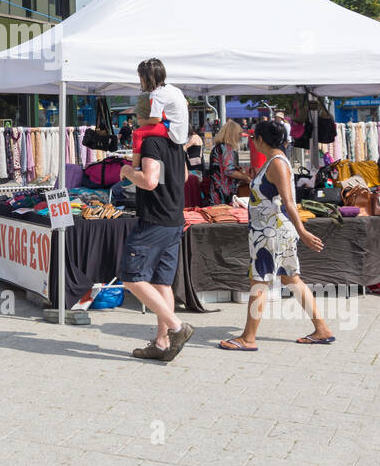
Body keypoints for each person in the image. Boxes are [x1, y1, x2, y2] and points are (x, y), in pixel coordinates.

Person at [219, 120, 333, 351]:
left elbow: (289, 202)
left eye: (254, 138)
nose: (252, 141)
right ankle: (321, 329)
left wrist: (303, 231)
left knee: (259, 282)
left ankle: (248, 338)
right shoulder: (274, 161)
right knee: (291, 279)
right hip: (271, 231)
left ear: (261, 139)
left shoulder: (277, 163)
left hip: (271, 233)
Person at [120, 65, 192, 362]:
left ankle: (177, 327)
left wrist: (127, 172)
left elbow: (149, 181)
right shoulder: (176, 144)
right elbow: (185, 177)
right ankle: (162, 344)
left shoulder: (150, 141)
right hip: (175, 218)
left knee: (132, 278)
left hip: (155, 220)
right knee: (162, 283)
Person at [130, 58, 189, 172]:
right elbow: (186, 103)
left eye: (140, 78)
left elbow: (156, 118)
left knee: (137, 133)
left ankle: (135, 168)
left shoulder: (156, 94)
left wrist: (144, 122)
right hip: (181, 130)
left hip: (171, 129)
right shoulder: (174, 89)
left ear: (147, 79)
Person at [207, 120, 250, 205]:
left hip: (217, 190)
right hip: (224, 192)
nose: (240, 137)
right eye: (239, 134)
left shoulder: (219, 147)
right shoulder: (226, 148)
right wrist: (246, 178)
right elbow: (228, 171)